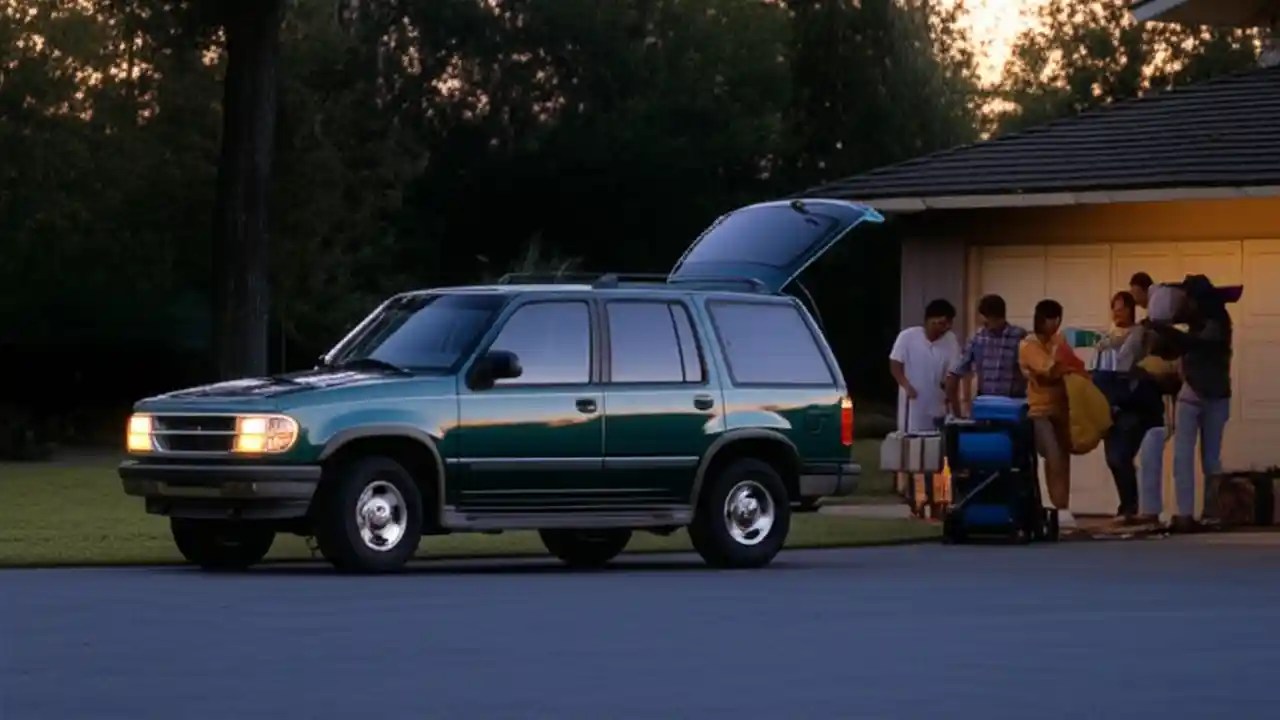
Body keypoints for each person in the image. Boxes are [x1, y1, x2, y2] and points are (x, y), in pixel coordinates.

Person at [1149, 274, 1233, 532]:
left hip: (1212, 394)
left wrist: (1163, 328)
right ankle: (1185, 514)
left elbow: (1195, 343)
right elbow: (1173, 349)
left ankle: (1210, 514)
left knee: (1209, 460)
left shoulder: (1218, 323)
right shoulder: (1202, 321)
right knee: (1184, 457)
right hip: (1199, 393)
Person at [1018, 299, 1082, 527]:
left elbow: (1073, 363)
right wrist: (1065, 367)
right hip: (1039, 410)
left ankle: (1063, 507)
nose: (1055, 324)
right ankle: (1058, 508)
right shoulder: (1028, 345)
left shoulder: (1060, 339)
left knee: (1063, 459)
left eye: (1058, 319)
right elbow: (1049, 371)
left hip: (1062, 407)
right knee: (1052, 455)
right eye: (1051, 319)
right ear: (1041, 320)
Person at [1095, 291, 1148, 523]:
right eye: (1114, 308)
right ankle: (1126, 505)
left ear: (1130, 309)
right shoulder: (1106, 338)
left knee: (1121, 456)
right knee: (1112, 458)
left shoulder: (1137, 335)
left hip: (1130, 404)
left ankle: (1131, 506)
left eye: (1121, 308)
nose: (1117, 313)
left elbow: (1130, 365)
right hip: (1108, 404)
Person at [946, 294, 1027, 415]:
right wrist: (958, 409)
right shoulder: (978, 338)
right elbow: (958, 370)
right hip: (986, 404)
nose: (985, 323)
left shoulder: (1019, 336)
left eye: (988, 319)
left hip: (1014, 403)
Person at [889, 299, 962, 433]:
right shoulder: (907, 336)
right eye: (942, 323)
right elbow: (895, 364)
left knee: (935, 442)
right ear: (930, 321)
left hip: (937, 402)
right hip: (912, 402)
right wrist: (905, 385)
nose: (945, 328)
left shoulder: (951, 341)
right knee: (912, 441)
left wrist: (954, 405)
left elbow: (953, 373)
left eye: (948, 324)